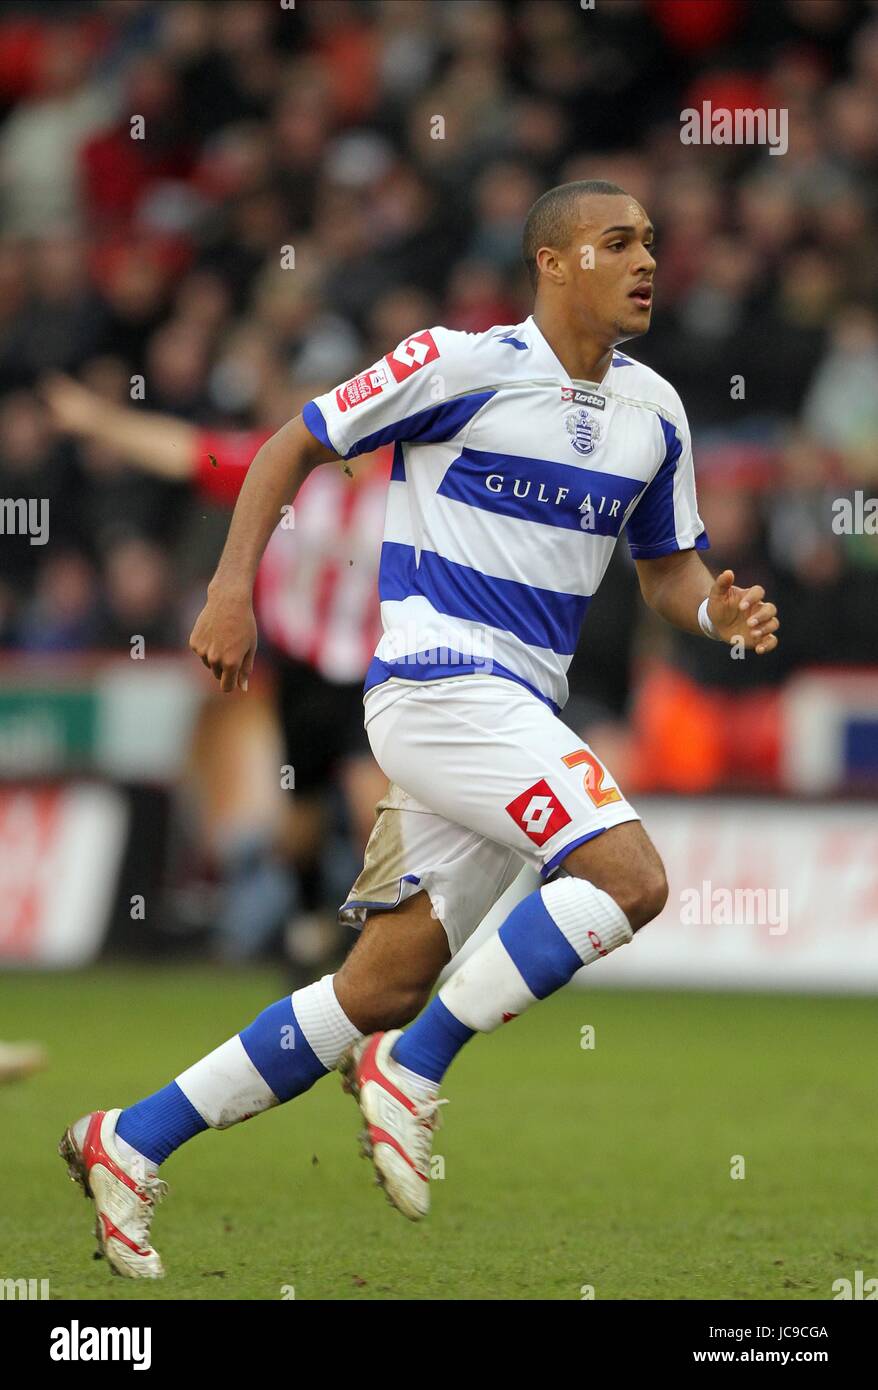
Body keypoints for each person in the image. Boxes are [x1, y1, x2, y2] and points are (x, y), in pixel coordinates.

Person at [60, 181, 779, 1275]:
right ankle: (418, 1064)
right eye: (616, 241)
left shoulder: (655, 414)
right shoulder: (457, 363)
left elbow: (667, 570)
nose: (645, 259)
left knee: (376, 984)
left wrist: (712, 614)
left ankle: (131, 1138)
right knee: (627, 877)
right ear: (551, 261)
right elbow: (286, 447)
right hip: (435, 680)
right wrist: (229, 589)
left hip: (512, 711)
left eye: (650, 240)